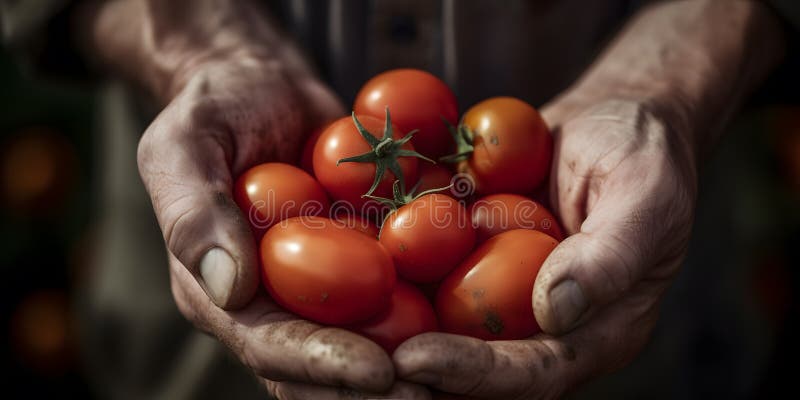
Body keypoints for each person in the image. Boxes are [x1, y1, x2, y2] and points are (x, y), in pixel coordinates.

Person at [2, 0, 794, 398]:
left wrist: (662, 85)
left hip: (652, 343)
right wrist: (192, 45)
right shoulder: (400, 197)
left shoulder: (424, 193)